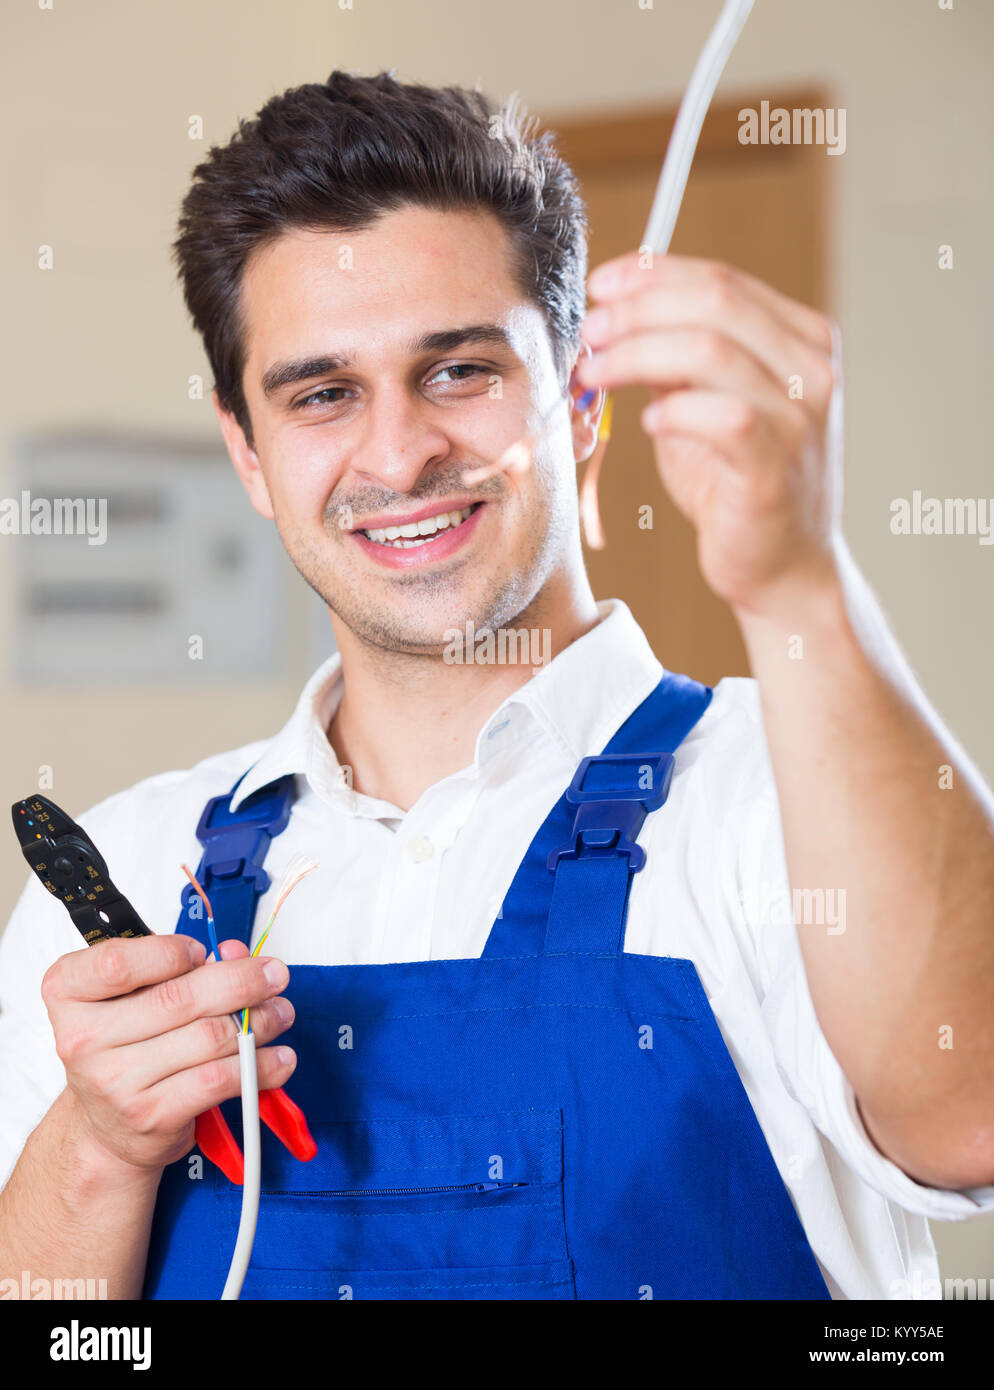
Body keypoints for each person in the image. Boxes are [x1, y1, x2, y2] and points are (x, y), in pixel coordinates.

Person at [1, 70, 992, 1302]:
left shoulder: (779, 806)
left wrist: (797, 584)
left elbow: (975, 1112)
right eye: (322, 394)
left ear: (581, 400)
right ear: (247, 455)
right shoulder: (135, 880)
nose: (400, 452)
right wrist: (101, 1149)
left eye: (459, 370)